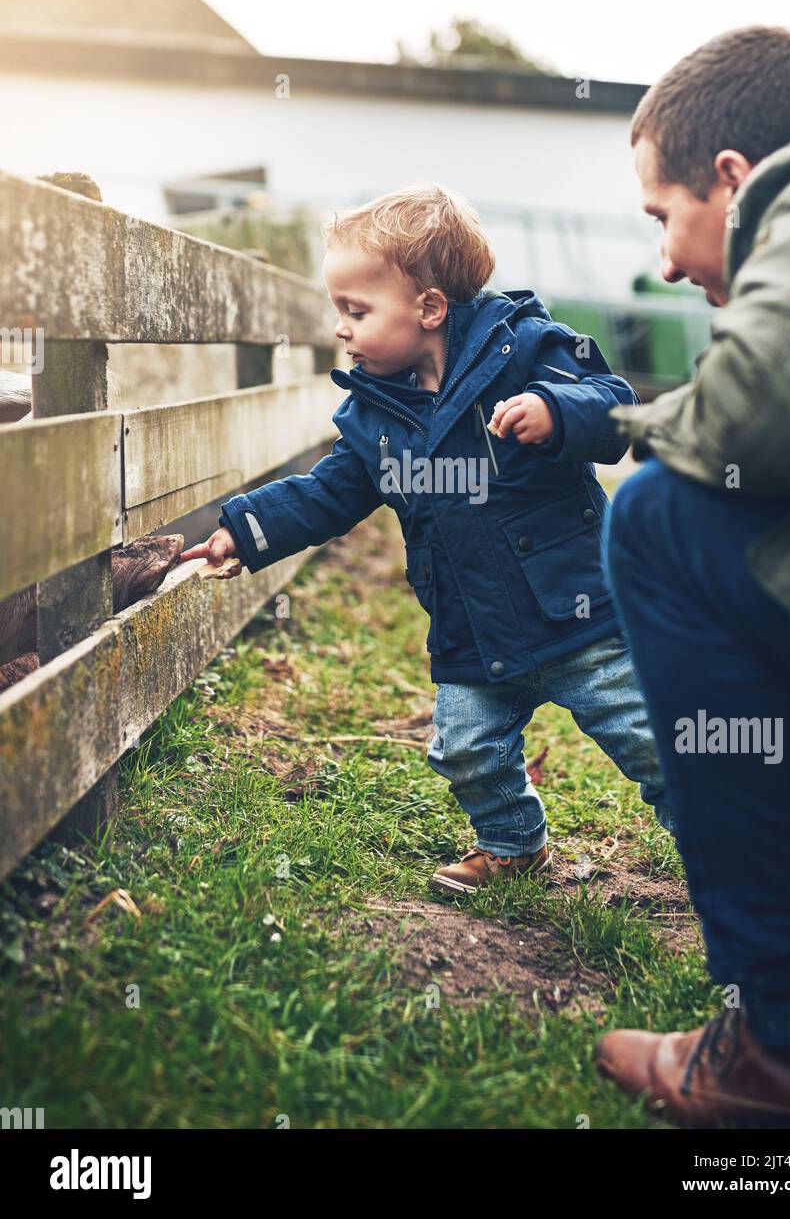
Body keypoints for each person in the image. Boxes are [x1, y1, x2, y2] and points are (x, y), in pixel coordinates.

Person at [180, 183, 675, 892]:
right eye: (338, 313)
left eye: (356, 311)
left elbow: (612, 404)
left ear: (429, 308)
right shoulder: (375, 415)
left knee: (645, 737)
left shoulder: (529, 349)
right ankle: (512, 845)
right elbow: (328, 492)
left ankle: (720, 842)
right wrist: (244, 529)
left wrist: (554, 410)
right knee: (466, 749)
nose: (342, 330)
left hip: (575, 613)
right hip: (470, 626)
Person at [594, 26, 790, 1126]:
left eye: (664, 219)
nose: (665, 263)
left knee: (660, 517)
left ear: (733, 178)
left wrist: (620, 428)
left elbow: (771, 402)